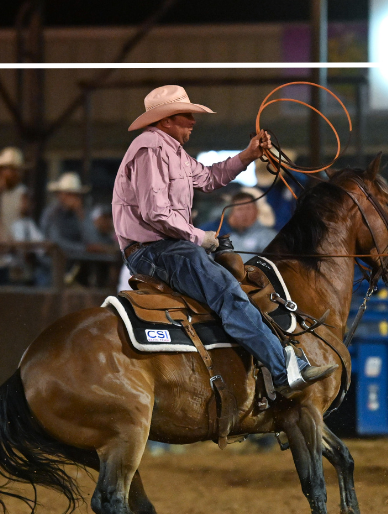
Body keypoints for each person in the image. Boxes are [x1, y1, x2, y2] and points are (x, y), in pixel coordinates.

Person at [112, 85, 335, 399]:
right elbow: (155, 213)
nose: (193, 121)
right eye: (185, 115)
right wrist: (201, 237)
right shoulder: (150, 148)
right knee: (226, 290)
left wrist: (248, 155)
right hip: (156, 250)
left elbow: (209, 178)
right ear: (165, 121)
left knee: (234, 280)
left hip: (167, 247)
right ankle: (283, 370)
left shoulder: (171, 150)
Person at [219, 190, 278, 261]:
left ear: (257, 210)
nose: (244, 213)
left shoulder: (269, 236)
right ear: (232, 214)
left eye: (248, 208)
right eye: (239, 209)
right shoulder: (229, 239)